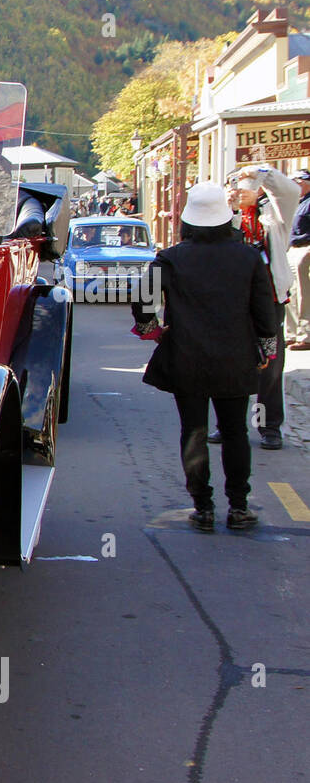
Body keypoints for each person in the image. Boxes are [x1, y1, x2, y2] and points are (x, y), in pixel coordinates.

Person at [134, 182, 278, 531]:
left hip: (187, 355)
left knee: (194, 431)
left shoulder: (171, 257)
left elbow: (143, 301)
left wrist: (154, 332)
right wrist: (268, 350)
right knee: (235, 432)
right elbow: (264, 311)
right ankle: (239, 506)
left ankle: (203, 506)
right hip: (236, 356)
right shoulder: (248, 257)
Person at [225, 164, 297, 449]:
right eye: (239, 185)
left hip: (269, 299)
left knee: (271, 364)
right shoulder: (225, 216)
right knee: (232, 363)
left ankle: (268, 426)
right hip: (235, 301)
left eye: (248, 186)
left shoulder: (273, 218)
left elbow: (290, 192)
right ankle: (228, 424)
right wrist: (230, 210)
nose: (243, 191)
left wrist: (263, 173)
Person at [286, 168, 310, 350]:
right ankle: (292, 333)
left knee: (303, 293)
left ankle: (305, 335)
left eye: (297, 182)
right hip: (293, 247)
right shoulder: (299, 202)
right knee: (291, 291)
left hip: (305, 247)